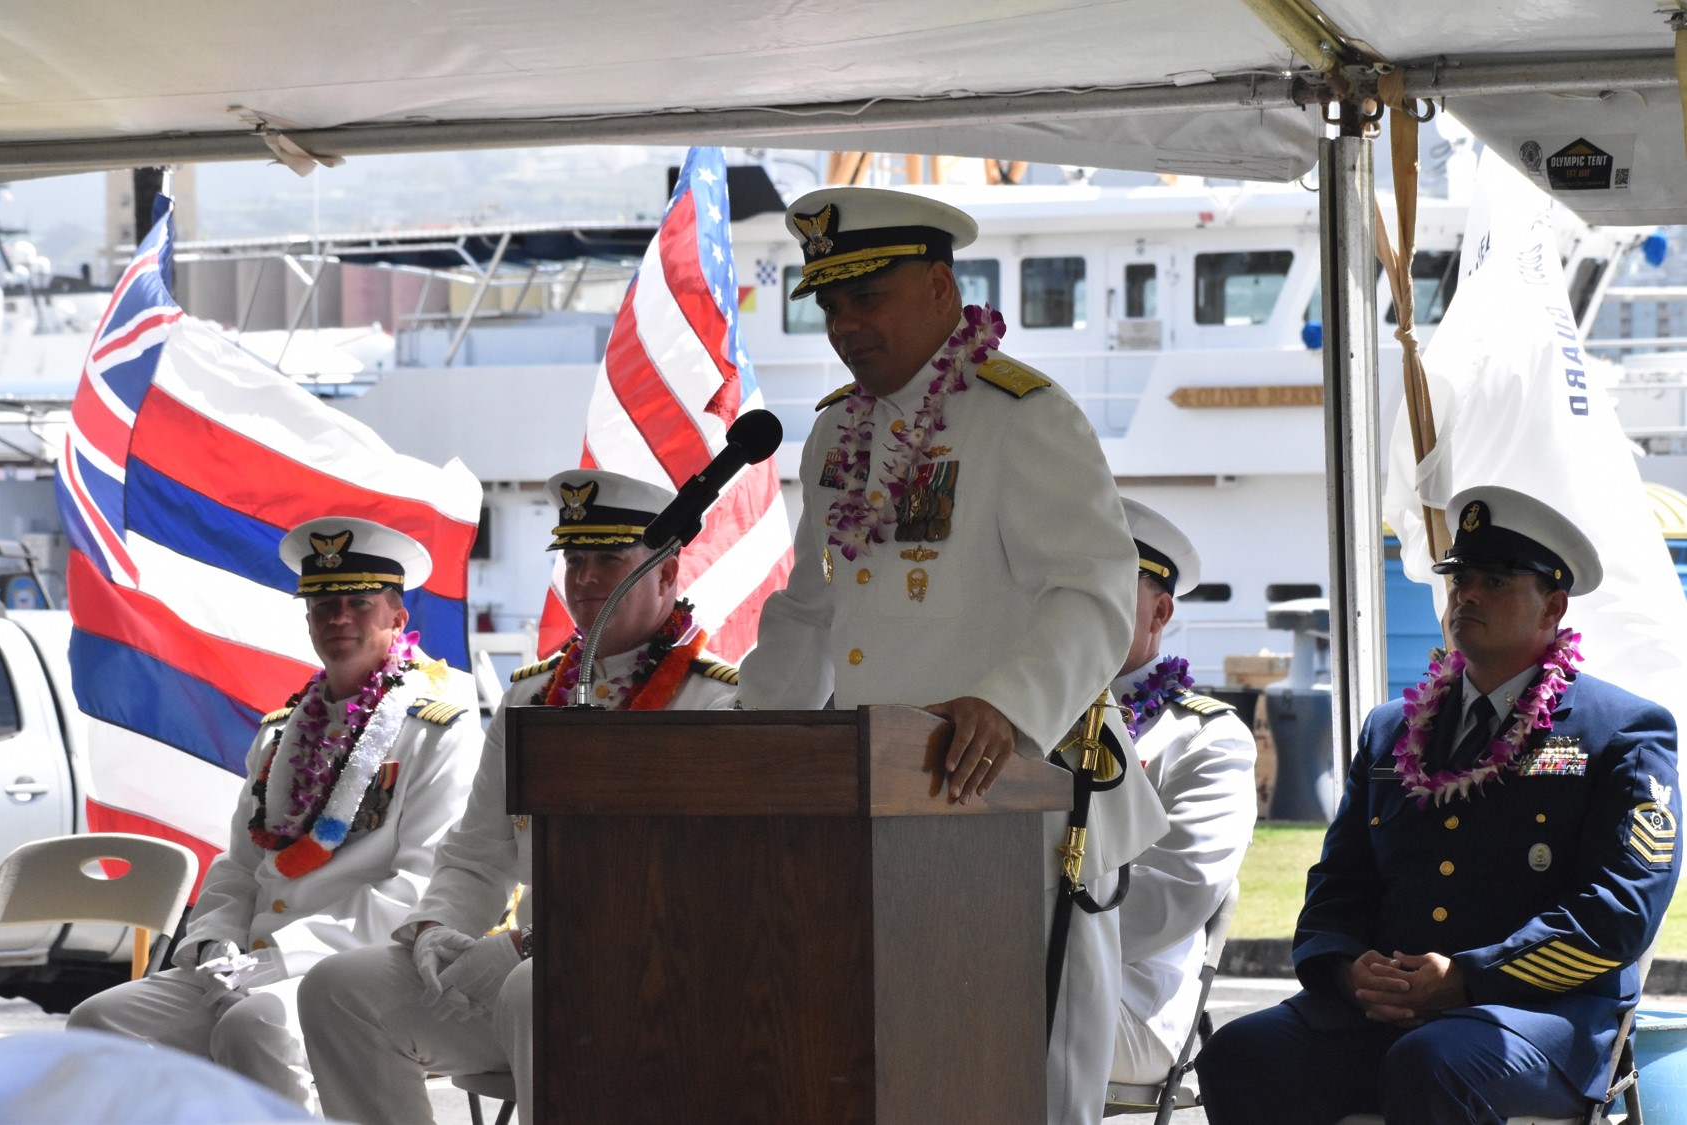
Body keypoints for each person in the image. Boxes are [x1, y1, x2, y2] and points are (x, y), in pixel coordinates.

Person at [736, 185, 1169, 1125]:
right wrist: (748, 749)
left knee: (1028, 1087)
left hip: (1022, 801)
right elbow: (811, 616)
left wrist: (1003, 707)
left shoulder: (1022, 413)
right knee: (901, 1082)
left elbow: (1092, 592)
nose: (845, 326)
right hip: (884, 812)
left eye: (868, 297)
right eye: (830, 304)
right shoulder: (837, 433)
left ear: (939, 286)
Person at [1196, 485, 1681, 1125]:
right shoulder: (1392, 728)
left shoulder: (1618, 729)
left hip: (1539, 1015)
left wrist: (1466, 979)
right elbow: (1338, 883)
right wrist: (1347, 971)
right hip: (1387, 1010)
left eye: (1495, 581)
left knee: (1430, 1063)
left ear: (1553, 606)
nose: (1466, 596)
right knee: (1241, 1053)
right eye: (1459, 581)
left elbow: (1619, 912)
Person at [300, 470, 741, 1125]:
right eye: (574, 559)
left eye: (609, 560)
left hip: (664, 976)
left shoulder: (719, 701)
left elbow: (697, 884)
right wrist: (438, 930)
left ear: (667, 572)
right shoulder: (532, 697)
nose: (586, 578)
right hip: (526, 966)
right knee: (340, 988)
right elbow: (478, 851)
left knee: (534, 990)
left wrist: (527, 946)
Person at [67, 517, 479, 1108]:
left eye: (358, 603)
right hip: (247, 960)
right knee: (101, 1021)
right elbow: (238, 866)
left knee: (252, 1025)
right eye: (322, 604)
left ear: (397, 618)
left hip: (355, 964)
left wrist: (285, 956)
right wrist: (214, 943)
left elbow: (419, 882)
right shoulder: (281, 733)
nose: (338, 618)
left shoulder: (436, 731)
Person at [1106, 499, 1256, 1088]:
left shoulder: (1205, 737)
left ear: (1160, 610)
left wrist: (1014, 932)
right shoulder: (1021, 718)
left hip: (1134, 1000)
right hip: (1004, 965)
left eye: (1108, 585)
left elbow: (1173, 895)